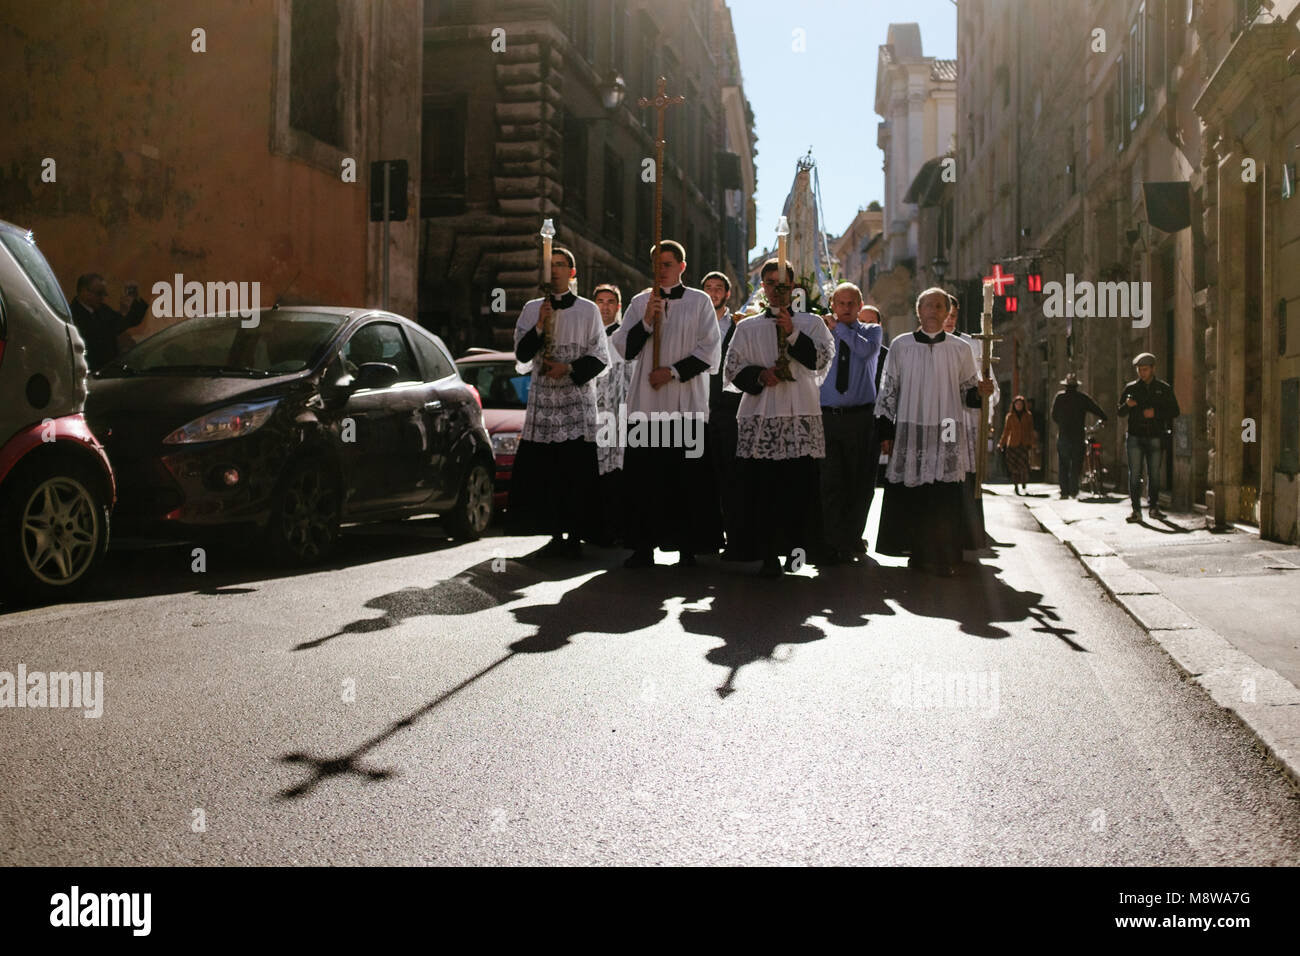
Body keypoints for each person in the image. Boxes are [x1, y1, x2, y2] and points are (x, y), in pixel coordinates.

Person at [611, 240, 723, 568]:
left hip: (686, 405)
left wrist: (671, 372)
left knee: (686, 480)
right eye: (657, 265)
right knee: (645, 480)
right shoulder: (638, 302)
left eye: (668, 264)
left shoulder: (700, 301)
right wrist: (647, 321)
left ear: (682, 267)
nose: (662, 270)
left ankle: (688, 546)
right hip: (646, 406)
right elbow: (625, 349)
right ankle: (642, 545)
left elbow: (709, 352)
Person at [874, 287, 996, 576]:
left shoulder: (961, 348)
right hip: (911, 425)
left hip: (948, 427)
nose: (933, 311)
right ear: (919, 310)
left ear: (947, 313)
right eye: (927, 305)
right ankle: (916, 551)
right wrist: (885, 432)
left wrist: (981, 393)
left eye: (939, 306)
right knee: (915, 491)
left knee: (945, 491)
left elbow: (968, 391)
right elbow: (888, 389)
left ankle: (944, 555)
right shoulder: (902, 346)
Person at [724, 259, 834, 575]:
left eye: (782, 283)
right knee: (764, 492)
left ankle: (796, 558)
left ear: (793, 286)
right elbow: (733, 370)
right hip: (762, 418)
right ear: (764, 287)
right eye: (770, 283)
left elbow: (819, 362)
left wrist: (793, 334)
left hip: (799, 415)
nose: (776, 289)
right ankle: (768, 555)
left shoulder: (812, 324)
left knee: (799, 493)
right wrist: (760, 376)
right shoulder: (747, 327)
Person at [506, 248, 608, 557]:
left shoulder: (588, 310)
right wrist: (539, 325)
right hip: (544, 402)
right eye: (551, 265)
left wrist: (570, 368)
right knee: (546, 469)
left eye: (562, 265)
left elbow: (601, 355)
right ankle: (553, 533)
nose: (556, 270)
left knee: (575, 469)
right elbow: (522, 355)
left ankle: (576, 534)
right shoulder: (531, 308)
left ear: (572, 273)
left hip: (576, 401)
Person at [817, 283, 883, 564]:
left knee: (858, 481)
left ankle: (852, 536)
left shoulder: (871, 331)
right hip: (828, 417)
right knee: (830, 480)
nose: (845, 308)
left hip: (860, 417)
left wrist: (839, 329)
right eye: (840, 303)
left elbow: (865, 352)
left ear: (859, 305)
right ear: (832, 305)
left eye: (850, 303)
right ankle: (832, 541)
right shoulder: (822, 333)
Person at [701, 270, 755, 561]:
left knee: (732, 476)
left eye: (718, 288)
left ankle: (736, 540)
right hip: (698, 408)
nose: (713, 292)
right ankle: (706, 539)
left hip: (729, 410)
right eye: (708, 287)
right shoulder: (694, 323)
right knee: (702, 476)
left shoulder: (740, 325)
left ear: (727, 293)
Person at [944, 293, 998, 549]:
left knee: (965, 480)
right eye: (945, 315)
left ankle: (967, 535)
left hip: (966, 423)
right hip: (939, 422)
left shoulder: (972, 345)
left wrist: (984, 399)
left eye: (953, 315)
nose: (949, 320)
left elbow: (992, 389)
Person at [591, 283, 633, 546]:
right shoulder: (588, 334)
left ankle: (617, 527)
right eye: (600, 301)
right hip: (590, 413)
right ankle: (594, 527)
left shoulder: (624, 337)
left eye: (610, 302)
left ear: (618, 307)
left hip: (617, 413)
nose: (605, 307)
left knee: (616, 474)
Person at [1118, 352, 1180, 521]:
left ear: (1153, 369)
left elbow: (1175, 411)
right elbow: (1120, 412)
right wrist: (1127, 405)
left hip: (1155, 436)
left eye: (1145, 369)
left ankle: (1153, 508)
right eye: (1139, 370)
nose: (1142, 373)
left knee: (1154, 475)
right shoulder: (1131, 388)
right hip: (1135, 437)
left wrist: (1156, 413)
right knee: (1135, 474)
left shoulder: (1163, 388)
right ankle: (1136, 511)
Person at [69, 273, 148, 371]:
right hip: (89, 371)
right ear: (84, 291)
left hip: (107, 369)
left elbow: (123, 323)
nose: (103, 298)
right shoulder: (72, 315)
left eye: (104, 294)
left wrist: (134, 301)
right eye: (99, 293)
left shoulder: (102, 309)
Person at [1051, 371, 1107, 499]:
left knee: (1063, 464)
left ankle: (1064, 491)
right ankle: (1073, 490)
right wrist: (1104, 418)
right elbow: (1096, 408)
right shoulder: (1082, 398)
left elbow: (1053, 415)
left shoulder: (1060, 397)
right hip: (1078, 435)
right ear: (1076, 386)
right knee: (1076, 464)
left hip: (1064, 434)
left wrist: (1062, 424)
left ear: (1065, 386)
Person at [997, 395, 1036, 494]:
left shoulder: (1028, 416)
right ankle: (1016, 486)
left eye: (1020, 404)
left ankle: (1023, 482)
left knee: (1023, 466)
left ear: (1024, 405)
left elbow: (1031, 430)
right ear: (1014, 405)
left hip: (1023, 444)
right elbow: (1006, 431)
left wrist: (1032, 443)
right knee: (1014, 467)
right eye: (1017, 404)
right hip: (1013, 444)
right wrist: (1001, 444)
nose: (1019, 406)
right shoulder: (1010, 416)